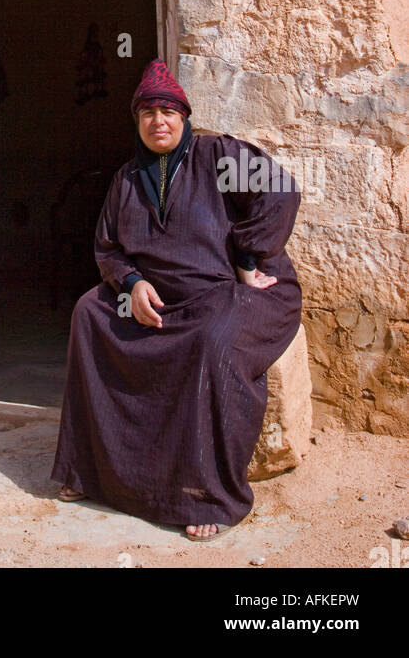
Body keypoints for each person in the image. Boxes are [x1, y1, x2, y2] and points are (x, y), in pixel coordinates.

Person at [49, 58, 303, 539]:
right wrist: (131, 283)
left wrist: (248, 256)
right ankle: (91, 473)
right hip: (163, 298)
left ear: (184, 117)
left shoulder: (217, 156)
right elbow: (108, 248)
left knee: (214, 342)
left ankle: (207, 495)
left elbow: (280, 190)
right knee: (89, 313)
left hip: (235, 289)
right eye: (147, 112)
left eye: (168, 111)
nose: (158, 120)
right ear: (138, 121)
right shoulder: (126, 179)